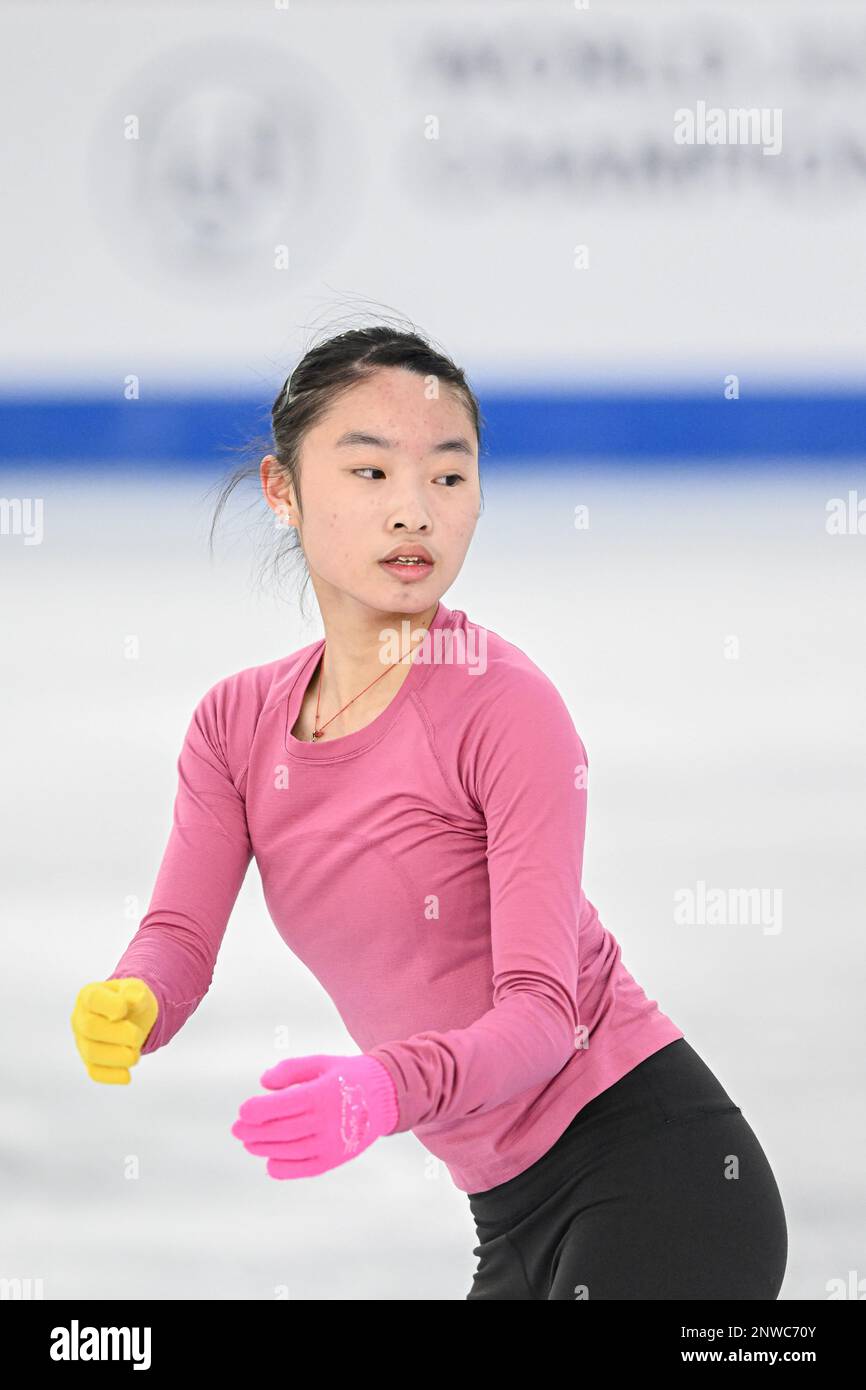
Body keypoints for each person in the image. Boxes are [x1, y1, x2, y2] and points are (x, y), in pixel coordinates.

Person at [70, 323, 788, 1300]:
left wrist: (382, 1088)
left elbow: (544, 1016)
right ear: (282, 491)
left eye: (447, 478)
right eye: (369, 473)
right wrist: (134, 1000)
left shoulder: (502, 705)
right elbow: (178, 935)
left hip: (663, 1187)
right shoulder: (235, 725)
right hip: (507, 1219)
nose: (413, 511)